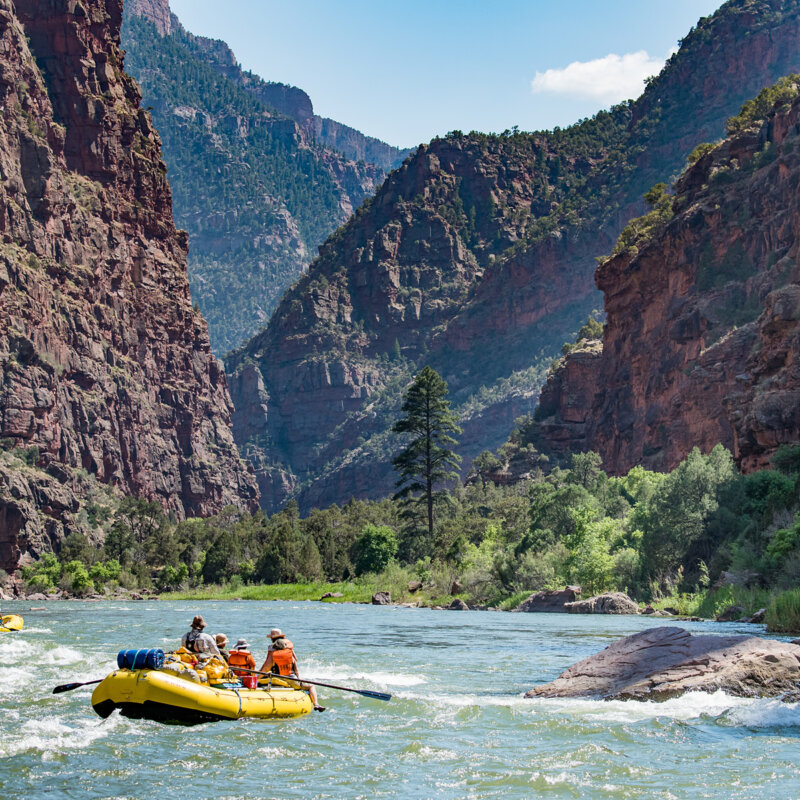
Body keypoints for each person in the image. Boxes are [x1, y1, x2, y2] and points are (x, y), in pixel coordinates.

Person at [261, 635, 325, 712]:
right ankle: (316, 704)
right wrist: (299, 680)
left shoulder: (272, 656)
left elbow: (265, 669)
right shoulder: (290, 655)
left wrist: (257, 678)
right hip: (291, 680)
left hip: (277, 679)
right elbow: (296, 670)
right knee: (311, 686)